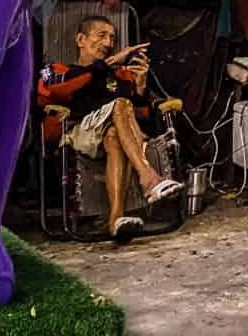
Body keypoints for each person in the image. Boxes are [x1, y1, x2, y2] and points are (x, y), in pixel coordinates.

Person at [37, 16, 181, 240]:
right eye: (101, 35)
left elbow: (141, 121)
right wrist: (108, 64)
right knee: (121, 104)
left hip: (114, 136)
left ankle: (115, 221)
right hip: (79, 132)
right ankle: (149, 178)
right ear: (80, 39)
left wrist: (140, 90)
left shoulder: (120, 76)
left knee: (114, 134)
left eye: (112, 38)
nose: (107, 43)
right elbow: (52, 92)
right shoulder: (58, 70)